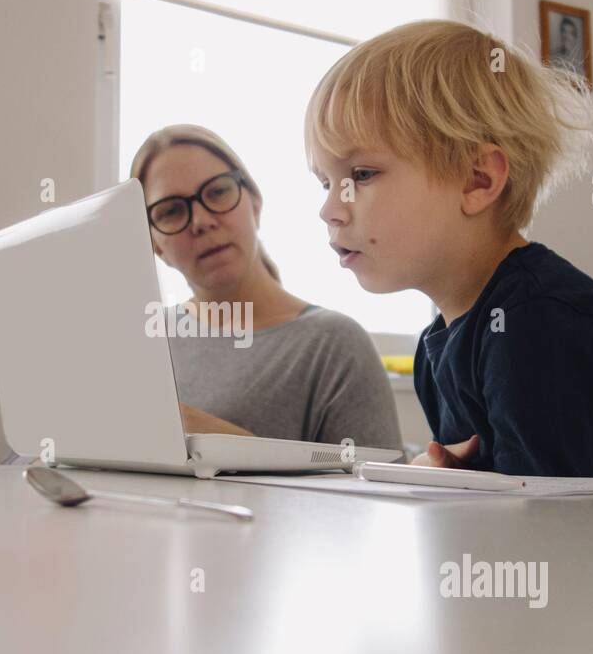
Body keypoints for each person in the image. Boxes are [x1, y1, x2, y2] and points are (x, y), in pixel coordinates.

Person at [303, 20, 593, 485]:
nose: (330, 209)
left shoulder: (537, 322)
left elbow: (541, 523)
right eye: (326, 183)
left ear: (478, 181)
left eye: (362, 174)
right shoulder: (439, 348)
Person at [130, 124, 403, 452]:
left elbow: (377, 497)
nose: (201, 221)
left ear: (254, 204)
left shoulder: (335, 345)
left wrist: (232, 446)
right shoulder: (142, 345)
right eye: (171, 211)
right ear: (155, 244)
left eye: (217, 192)